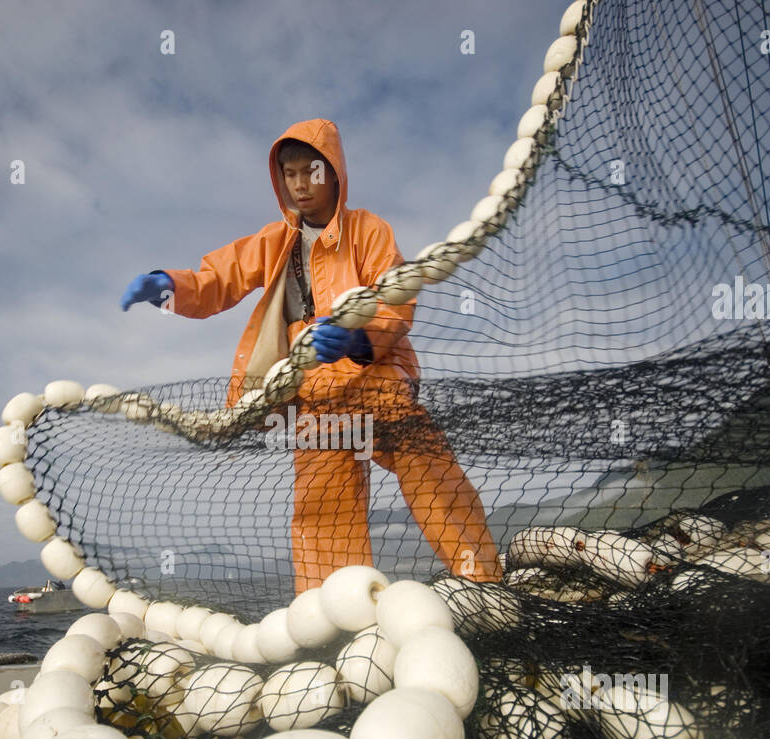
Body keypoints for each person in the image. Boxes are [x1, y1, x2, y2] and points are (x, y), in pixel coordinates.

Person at [120, 117, 501, 592]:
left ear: (334, 171)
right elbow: (218, 278)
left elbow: (396, 298)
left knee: (424, 462)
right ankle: (335, 615)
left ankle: (484, 582)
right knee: (324, 500)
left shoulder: (368, 230)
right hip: (311, 388)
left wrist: (359, 339)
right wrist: (171, 287)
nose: (300, 183)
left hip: (374, 374)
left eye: (311, 171)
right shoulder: (272, 242)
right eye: (290, 173)